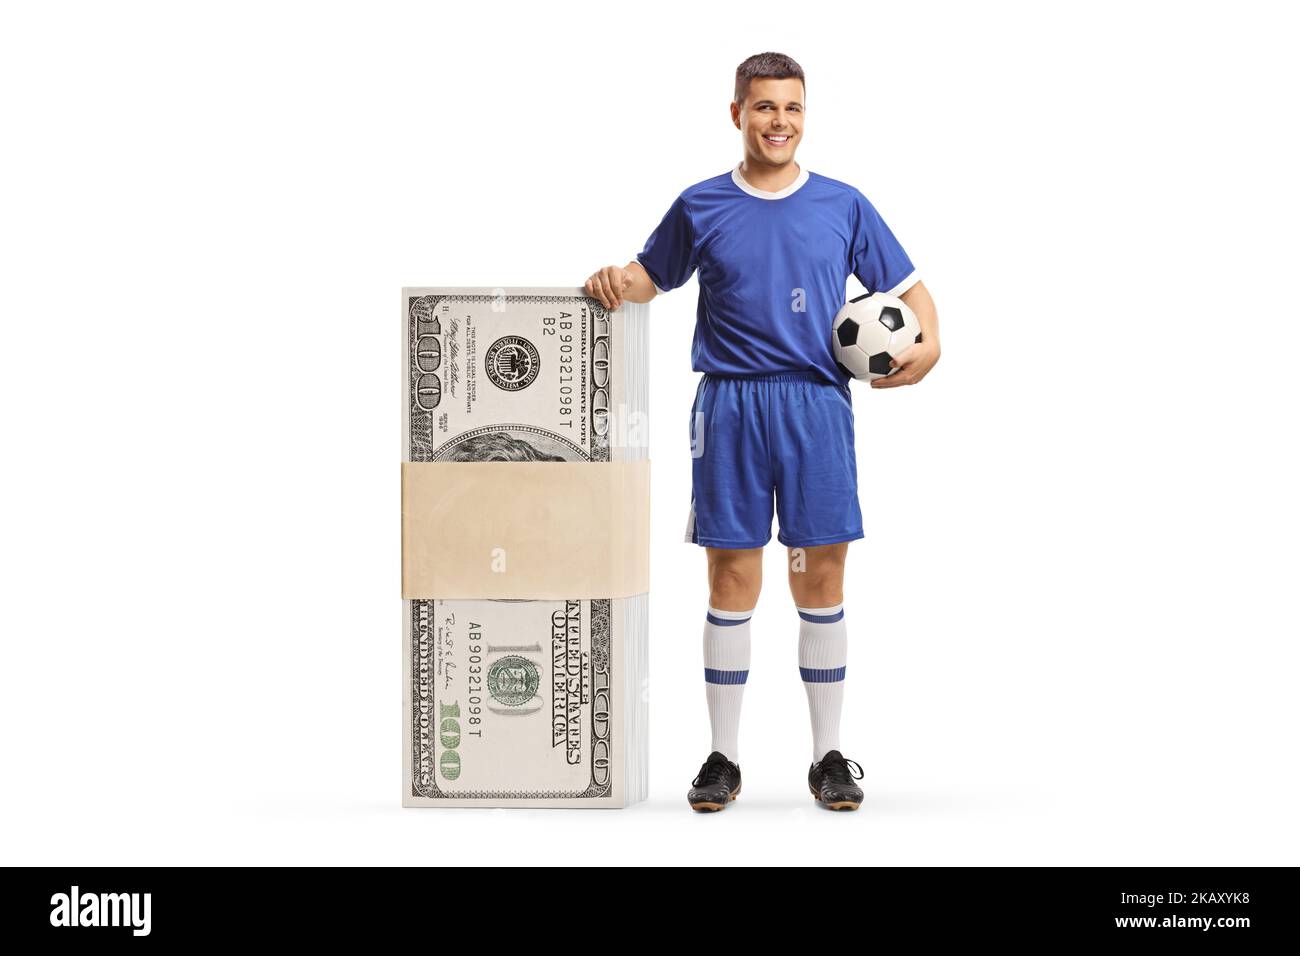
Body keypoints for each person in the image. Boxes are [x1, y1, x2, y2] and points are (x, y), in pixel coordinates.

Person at [584, 52, 940, 812]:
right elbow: (652, 276)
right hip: (731, 409)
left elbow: (910, 292)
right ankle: (722, 757)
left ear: (805, 116)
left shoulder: (843, 205)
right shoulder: (701, 204)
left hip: (815, 409)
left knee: (819, 579)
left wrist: (930, 344)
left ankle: (829, 756)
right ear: (737, 112)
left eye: (793, 108)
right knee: (732, 578)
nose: (780, 121)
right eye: (765, 107)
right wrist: (616, 279)